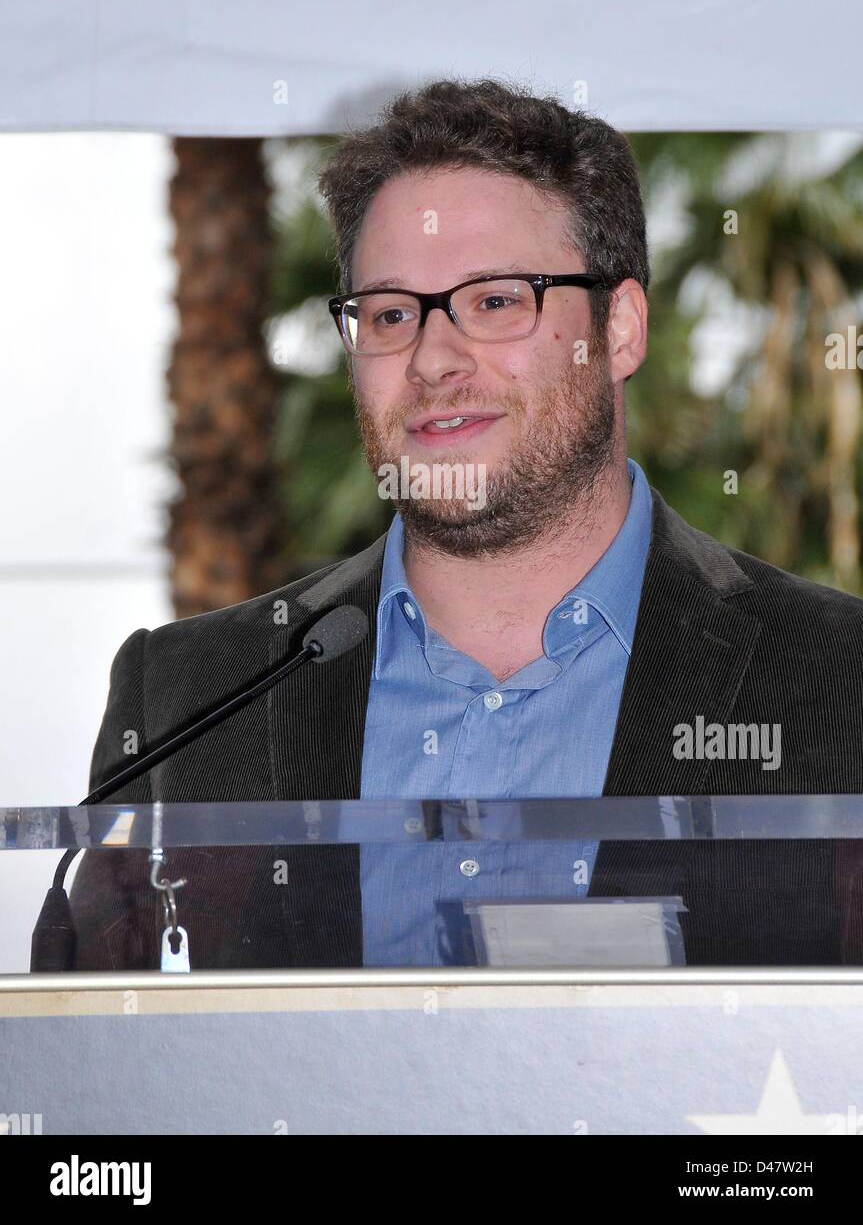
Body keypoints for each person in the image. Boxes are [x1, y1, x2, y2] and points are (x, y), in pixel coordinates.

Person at [68, 78, 863, 971]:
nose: (434, 358)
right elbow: (86, 1068)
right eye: (391, 313)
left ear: (621, 328)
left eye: (495, 301)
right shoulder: (189, 700)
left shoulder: (839, 679)